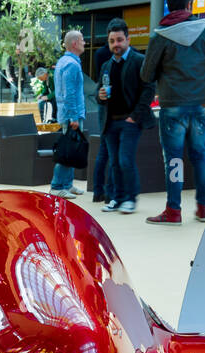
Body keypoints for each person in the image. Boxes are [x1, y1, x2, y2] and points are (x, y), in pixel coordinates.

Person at [140, 0, 205, 224]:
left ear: (169, 5)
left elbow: (146, 74)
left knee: (174, 159)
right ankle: (203, 208)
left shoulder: (160, 36)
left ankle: (174, 210)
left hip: (172, 104)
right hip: (200, 104)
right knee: (200, 156)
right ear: (189, 4)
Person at [96, 22, 154, 214]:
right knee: (114, 162)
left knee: (125, 160)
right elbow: (98, 92)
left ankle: (130, 198)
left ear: (128, 39)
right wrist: (100, 96)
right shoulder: (106, 65)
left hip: (130, 121)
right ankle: (116, 198)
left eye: (120, 40)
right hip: (110, 121)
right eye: (112, 41)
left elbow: (148, 90)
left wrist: (134, 117)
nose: (116, 44)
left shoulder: (139, 60)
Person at [49, 29, 87, 199]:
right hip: (72, 114)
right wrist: (73, 117)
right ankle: (57, 186)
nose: (85, 43)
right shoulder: (71, 64)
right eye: (82, 40)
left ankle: (67, 184)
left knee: (71, 149)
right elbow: (69, 93)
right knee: (67, 151)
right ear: (74, 43)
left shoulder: (64, 62)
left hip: (69, 113)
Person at [89, 25, 119, 202]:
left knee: (103, 152)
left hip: (103, 108)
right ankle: (110, 192)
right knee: (112, 153)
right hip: (111, 108)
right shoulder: (111, 58)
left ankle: (97, 191)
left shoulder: (99, 54)